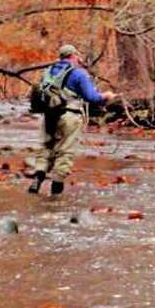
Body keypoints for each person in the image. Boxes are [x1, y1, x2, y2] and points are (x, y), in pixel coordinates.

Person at [28, 44, 116, 196]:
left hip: (49, 115)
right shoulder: (78, 74)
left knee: (46, 147)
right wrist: (106, 96)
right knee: (65, 151)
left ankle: (38, 177)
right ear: (74, 56)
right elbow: (91, 97)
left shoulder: (48, 72)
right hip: (70, 116)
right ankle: (56, 191)